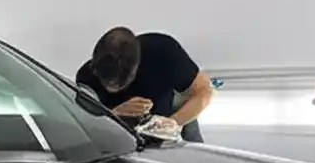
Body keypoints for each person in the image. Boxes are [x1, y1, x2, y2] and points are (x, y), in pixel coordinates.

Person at [76, 28, 214, 143]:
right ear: (94, 67)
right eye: (107, 82)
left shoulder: (163, 51)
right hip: (120, 136)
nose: (113, 87)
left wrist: (173, 123)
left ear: (136, 68)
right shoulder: (86, 78)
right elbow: (84, 126)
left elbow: (204, 90)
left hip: (169, 117)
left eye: (121, 83)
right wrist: (114, 114)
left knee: (194, 152)